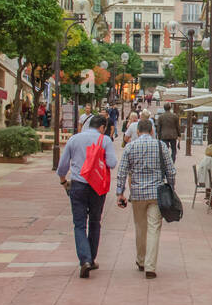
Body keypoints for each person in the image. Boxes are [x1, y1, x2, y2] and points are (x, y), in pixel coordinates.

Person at [56, 114, 118, 278]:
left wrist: (64, 182)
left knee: (79, 224)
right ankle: (91, 257)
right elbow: (112, 163)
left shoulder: (74, 139)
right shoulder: (105, 140)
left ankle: (85, 259)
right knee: (95, 221)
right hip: (97, 186)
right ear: (102, 128)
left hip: (78, 185)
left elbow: (62, 166)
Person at [115, 118, 176, 280]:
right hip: (156, 193)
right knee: (154, 228)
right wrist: (171, 188)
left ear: (137, 132)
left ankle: (141, 260)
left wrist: (120, 193)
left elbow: (122, 172)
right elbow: (171, 171)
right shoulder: (160, 146)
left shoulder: (130, 146)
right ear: (152, 131)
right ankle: (150, 265)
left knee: (140, 227)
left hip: (137, 194)